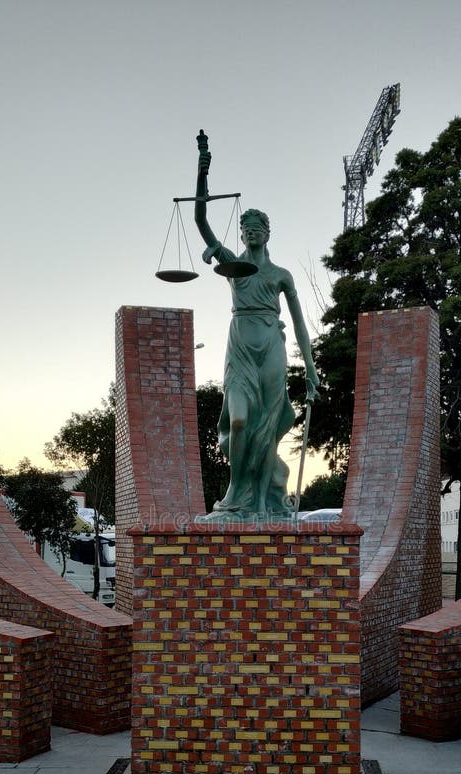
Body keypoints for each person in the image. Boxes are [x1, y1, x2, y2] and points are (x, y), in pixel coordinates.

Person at [194, 132, 319, 520]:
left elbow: (299, 324)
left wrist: (311, 367)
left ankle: (263, 503)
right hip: (241, 349)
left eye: (257, 229)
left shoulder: (281, 275)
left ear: (267, 234)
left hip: (272, 349)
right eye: (246, 230)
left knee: (266, 429)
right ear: (242, 235)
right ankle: (235, 492)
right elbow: (200, 219)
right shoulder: (234, 265)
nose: (251, 233)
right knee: (239, 420)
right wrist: (202, 171)